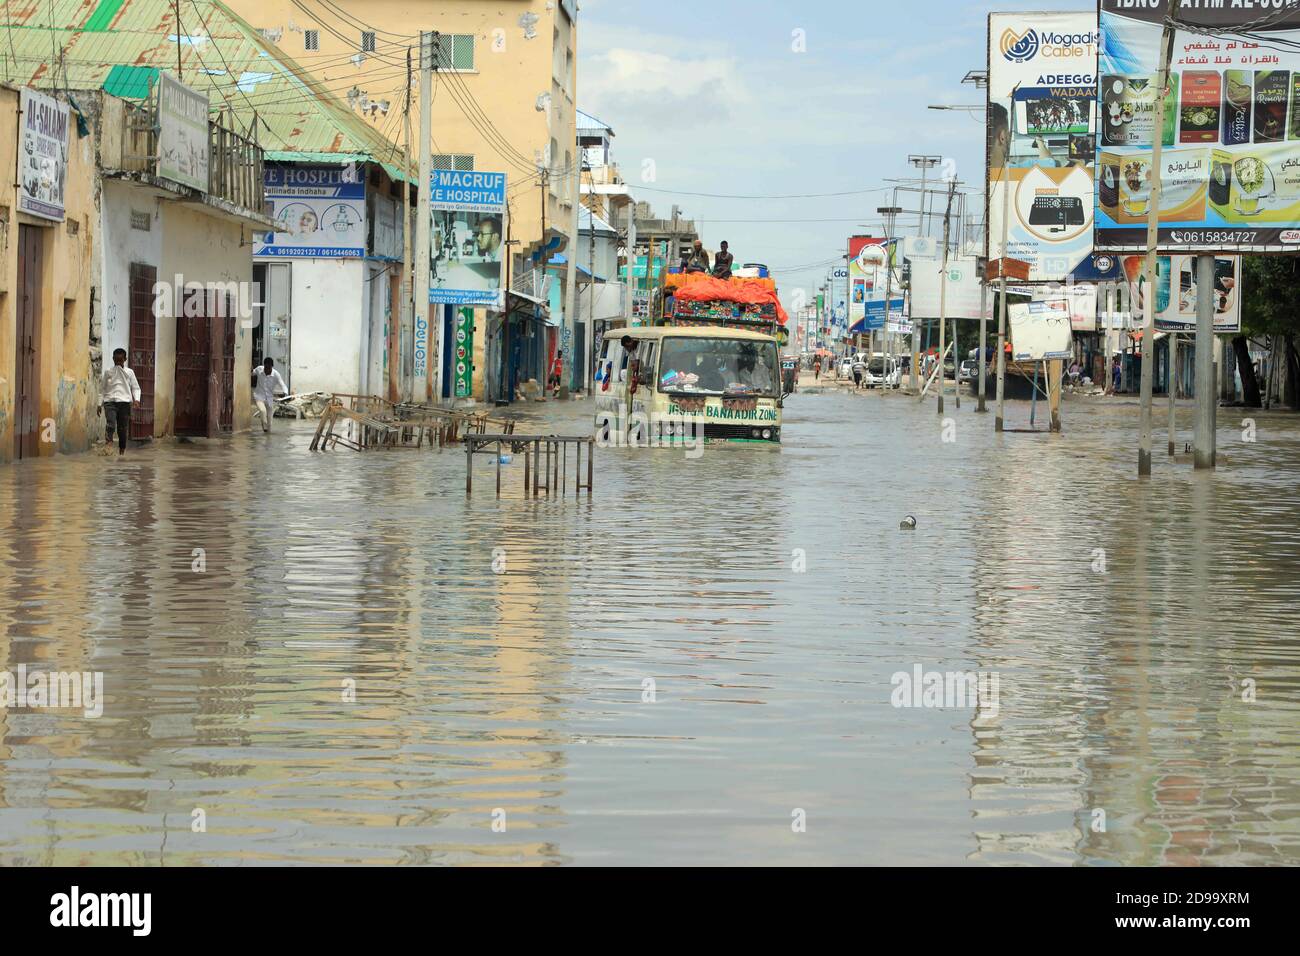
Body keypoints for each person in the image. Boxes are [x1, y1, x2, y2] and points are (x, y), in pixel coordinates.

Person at [100, 347, 141, 456]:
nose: (118, 363)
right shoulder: (108, 372)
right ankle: (108, 444)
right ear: (113, 359)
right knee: (111, 423)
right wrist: (99, 404)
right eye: (116, 360)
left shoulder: (130, 372)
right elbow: (103, 389)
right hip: (110, 402)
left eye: (120, 360)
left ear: (125, 359)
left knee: (122, 429)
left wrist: (137, 399)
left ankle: (121, 452)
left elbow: (136, 387)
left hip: (125, 403)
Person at [252, 357, 288, 433]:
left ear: (272, 367)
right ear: (264, 366)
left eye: (268, 368)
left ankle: (268, 435)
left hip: (269, 399)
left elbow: (283, 385)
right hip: (259, 396)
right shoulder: (259, 369)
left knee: (270, 422)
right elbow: (252, 372)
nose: (266, 370)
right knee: (262, 411)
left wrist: (285, 393)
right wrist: (251, 369)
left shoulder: (276, 375)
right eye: (265, 367)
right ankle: (264, 428)